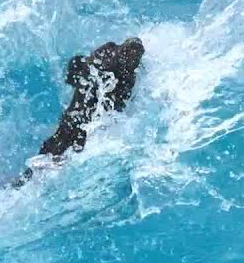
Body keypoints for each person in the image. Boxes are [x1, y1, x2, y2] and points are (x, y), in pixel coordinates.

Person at [12, 37, 145, 188]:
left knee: (37, 172)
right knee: (43, 169)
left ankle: (8, 193)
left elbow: (75, 69)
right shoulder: (121, 76)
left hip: (71, 128)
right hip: (75, 130)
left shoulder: (109, 60)